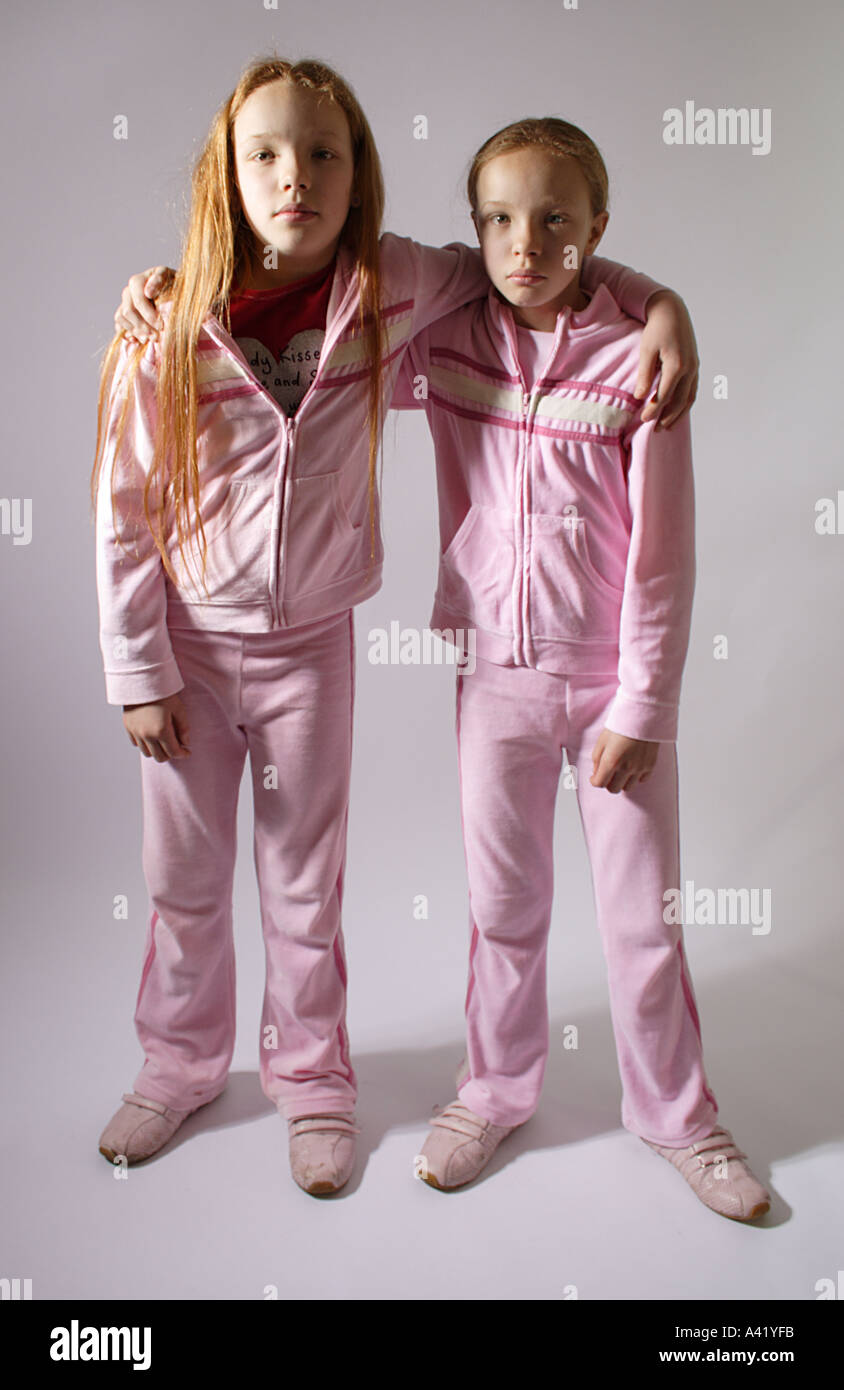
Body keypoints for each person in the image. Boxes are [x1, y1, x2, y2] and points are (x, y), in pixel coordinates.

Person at [95, 55, 700, 1197]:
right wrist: (135, 665)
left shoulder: (397, 287)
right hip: (184, 646)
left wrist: (661, 303)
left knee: (303, 880)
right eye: (266, 153)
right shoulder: (167, 323)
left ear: (360, 171)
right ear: (226, 175)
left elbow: (526, 264)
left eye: (324, 152)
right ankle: (177, 1063)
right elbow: (122, 513)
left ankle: (315, 1079)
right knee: (182, 877)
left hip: (313, 646)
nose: (296, 176)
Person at [391, 116, 770, 1221]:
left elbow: (663, 552)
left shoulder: (635, 358)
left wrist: (645, 703)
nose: (525, 244)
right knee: (503, 907)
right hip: (494, 682)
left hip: (613, 689)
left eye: (555, 219)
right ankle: (493, 1090)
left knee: (641, 920)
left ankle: (678, 1116)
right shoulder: (446, 340)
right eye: (499, 220)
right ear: (475, 232)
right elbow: (355, 297)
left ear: (597, 228)